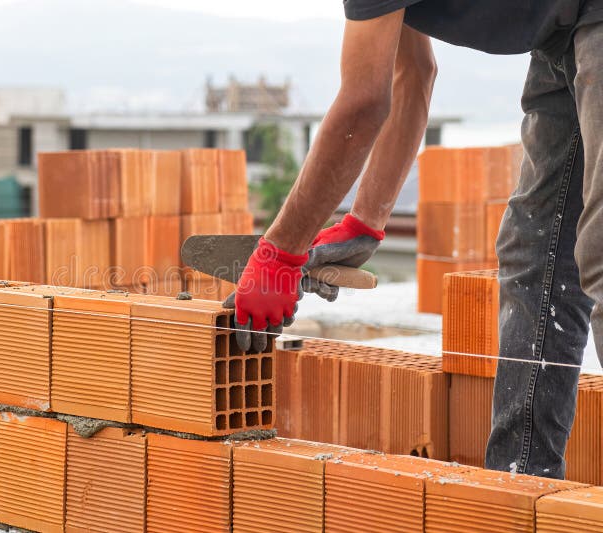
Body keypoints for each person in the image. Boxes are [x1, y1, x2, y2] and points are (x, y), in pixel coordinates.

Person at [225, 2, 603, 480]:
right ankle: (523, 487)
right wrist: (365, 222)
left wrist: (280, 254)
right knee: (535, 255)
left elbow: (364, 102)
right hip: (562, 34)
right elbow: (414, 74)